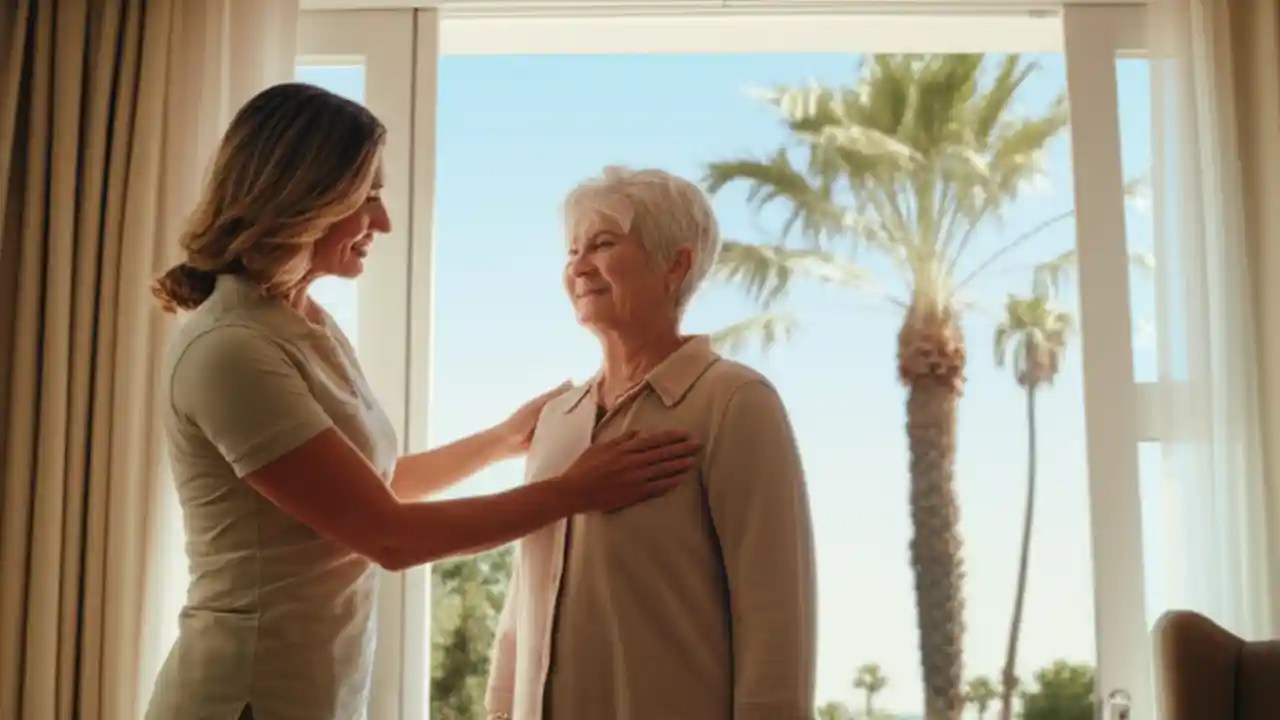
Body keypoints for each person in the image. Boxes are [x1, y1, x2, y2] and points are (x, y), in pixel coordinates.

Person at [144, 84, 700, 720]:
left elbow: (376, 488)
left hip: (312, 691)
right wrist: (574, 492)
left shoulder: (301, 322)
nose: (382, 223)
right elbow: (388, 534)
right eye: (368, 199)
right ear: (304, 197)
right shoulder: (231, 351)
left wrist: (501, 439)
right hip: (243, 697)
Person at [485, 167, 817, 720]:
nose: (580, 267)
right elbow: (523, 601)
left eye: (603, 244)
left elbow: (776, 614)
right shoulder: (557, 419)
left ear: (676, 264)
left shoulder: (734, 402)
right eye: (572, 251)